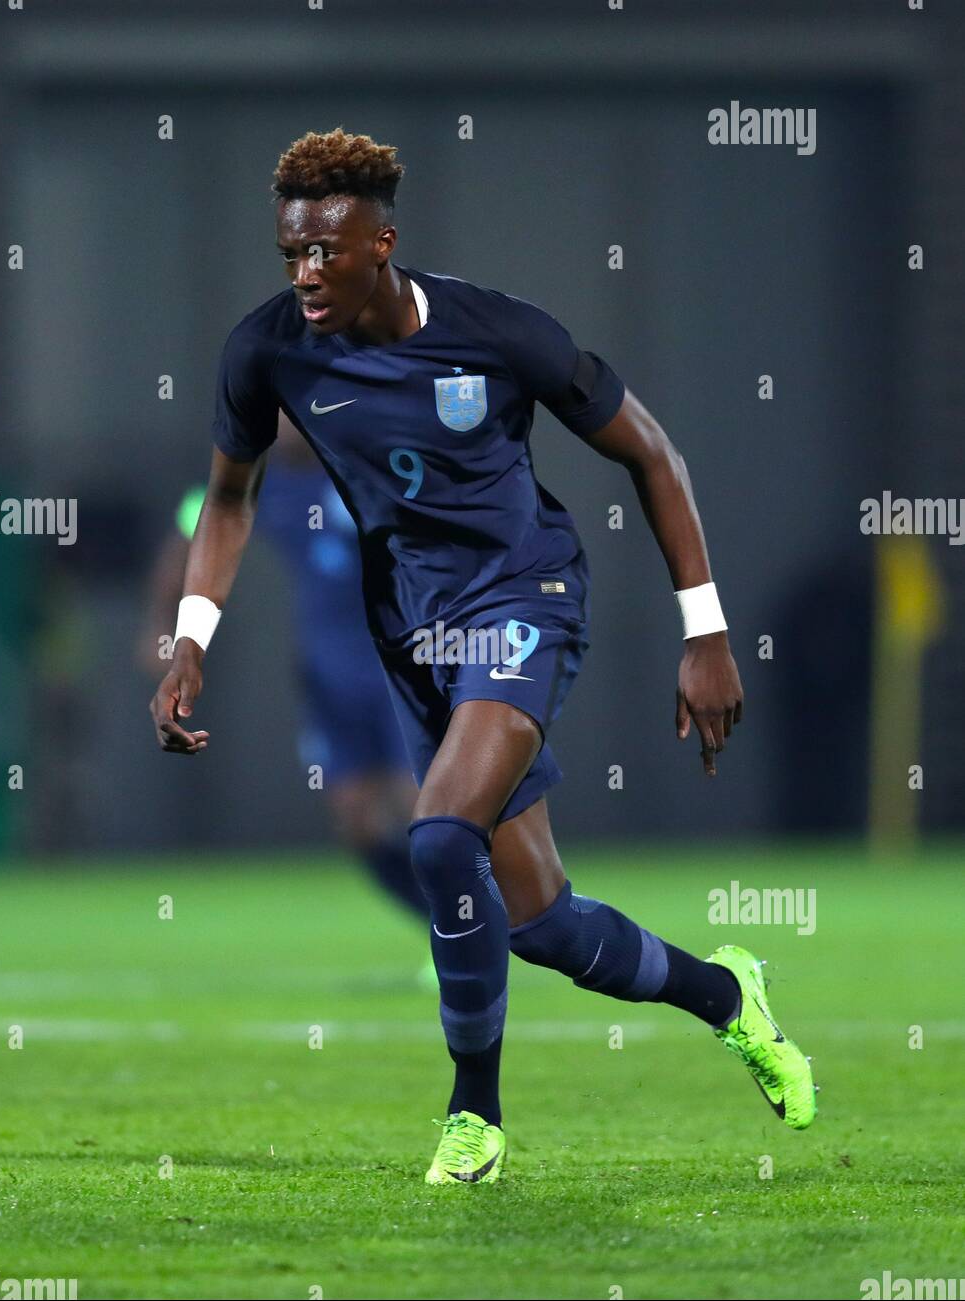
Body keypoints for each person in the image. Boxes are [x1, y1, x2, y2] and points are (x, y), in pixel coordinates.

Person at [150, 127, 816, 1186]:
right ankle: (727, 995)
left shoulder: (498, 333)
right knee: (540, 923)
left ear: (383, 242)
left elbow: (651, 452)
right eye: (290, 255)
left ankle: (473, 1113)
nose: (306, 276)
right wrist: (189, 642)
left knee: (436, 835)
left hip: (522, 599)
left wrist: (706, 630)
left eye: (326, 253)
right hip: (409, 629)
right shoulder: (267, 348)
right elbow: (228, 499)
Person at [140, 413, 432, 976]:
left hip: (402, 665)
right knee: (356, 820)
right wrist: (162, 624)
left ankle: (467, 933)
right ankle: (442, 926)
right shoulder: (254, 479)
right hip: (328, 671)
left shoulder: (369, 463)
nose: (282, 424)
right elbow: (188, 532)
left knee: (420, 807)